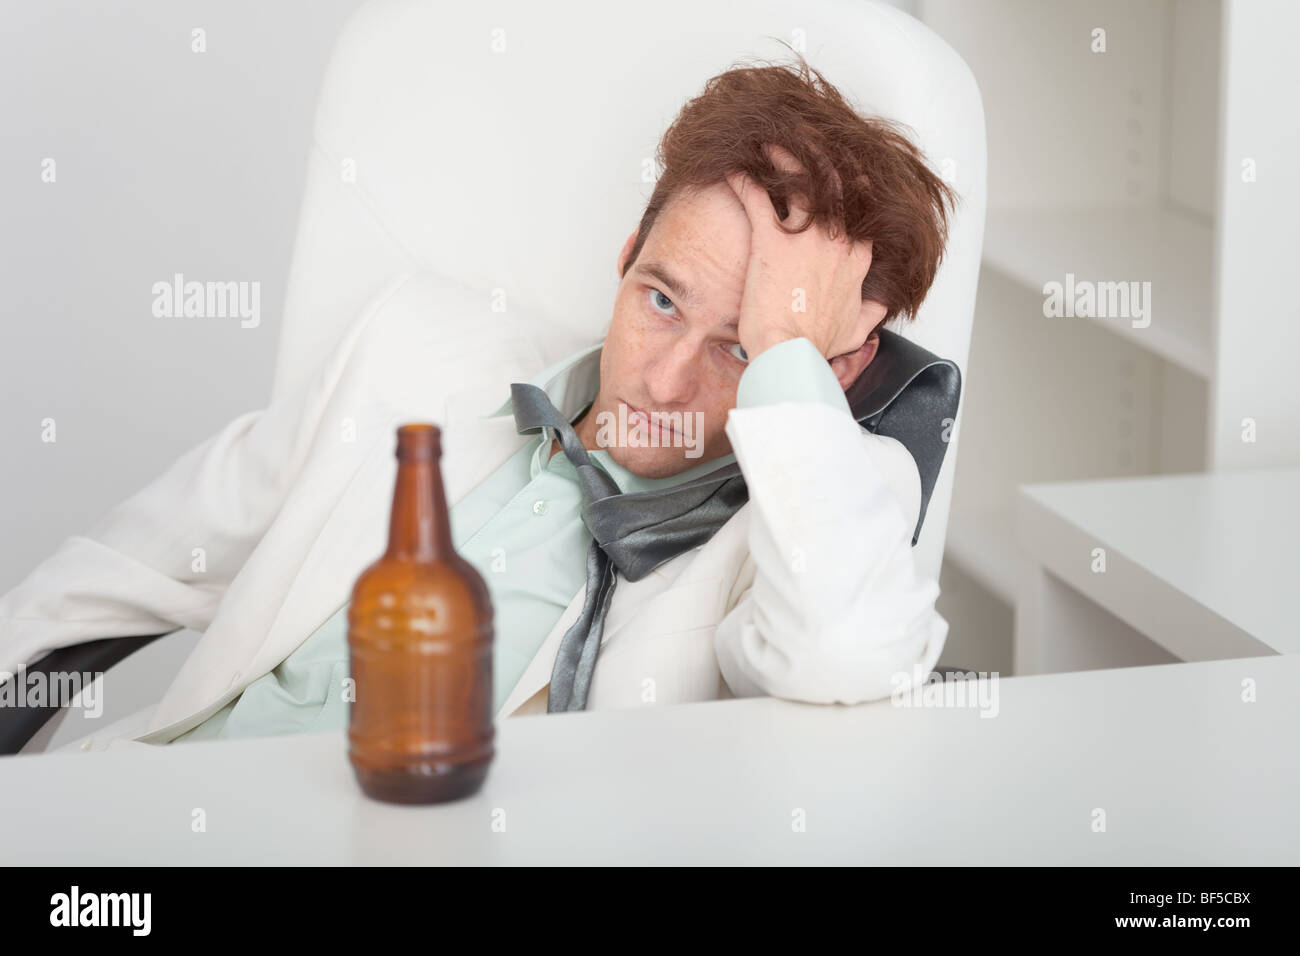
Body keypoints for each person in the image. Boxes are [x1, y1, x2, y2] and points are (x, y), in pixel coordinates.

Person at [0, 53, 958, 751]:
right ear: (625, 257)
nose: (663, 384)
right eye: (660, 300)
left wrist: (784, 357)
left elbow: (846, 655)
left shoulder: (827, 515)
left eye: (740, 349)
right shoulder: (414, 343)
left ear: (834, 371)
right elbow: (128, 565)